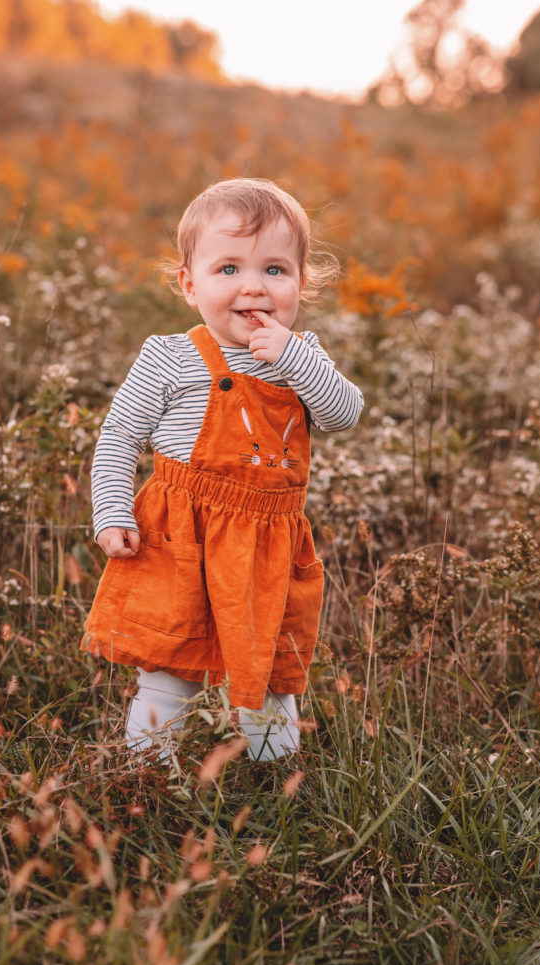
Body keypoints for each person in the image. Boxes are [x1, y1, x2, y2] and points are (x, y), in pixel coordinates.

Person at [82, 178, 363, 761]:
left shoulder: (302, 357)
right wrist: (110, 508)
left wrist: (293, 359)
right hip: (181, 539)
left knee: (270, 675)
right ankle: (147, 773)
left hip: (265, 548)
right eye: (228, 269)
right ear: (191, 284)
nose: (253, 287)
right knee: (171, 667)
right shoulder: (170, 356)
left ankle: (274, 785)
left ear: (301, 283)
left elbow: (343, 413)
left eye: (276, 270)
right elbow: (119, 437)